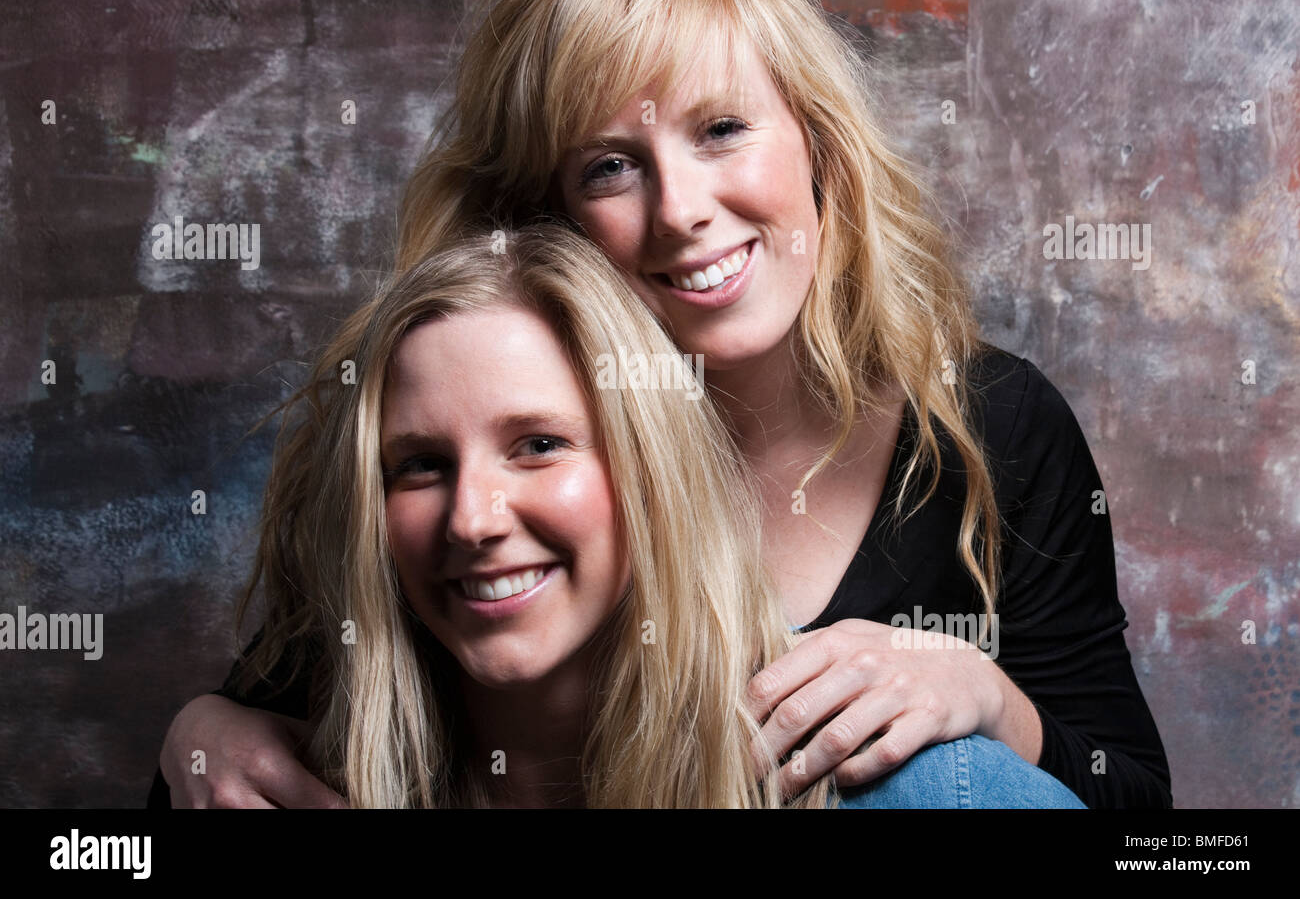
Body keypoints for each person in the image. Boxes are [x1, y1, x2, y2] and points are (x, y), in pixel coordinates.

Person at [155, 0, 1170, 808]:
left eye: (722, 128)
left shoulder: (989, 423)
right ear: (543, 219)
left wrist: (989, 700)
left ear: (813, 140)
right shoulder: (481, 433)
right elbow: (323, 684)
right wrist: (201, 732)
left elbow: (1135, 805)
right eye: (608, 165)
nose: (680, 208)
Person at [156, 224, 1082, 807]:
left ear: (653, 473)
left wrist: (997, 699)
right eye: (421, 465)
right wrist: (191, 738)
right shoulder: (282, 778)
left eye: (540, 445)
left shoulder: (933, 789)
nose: (472, 518)